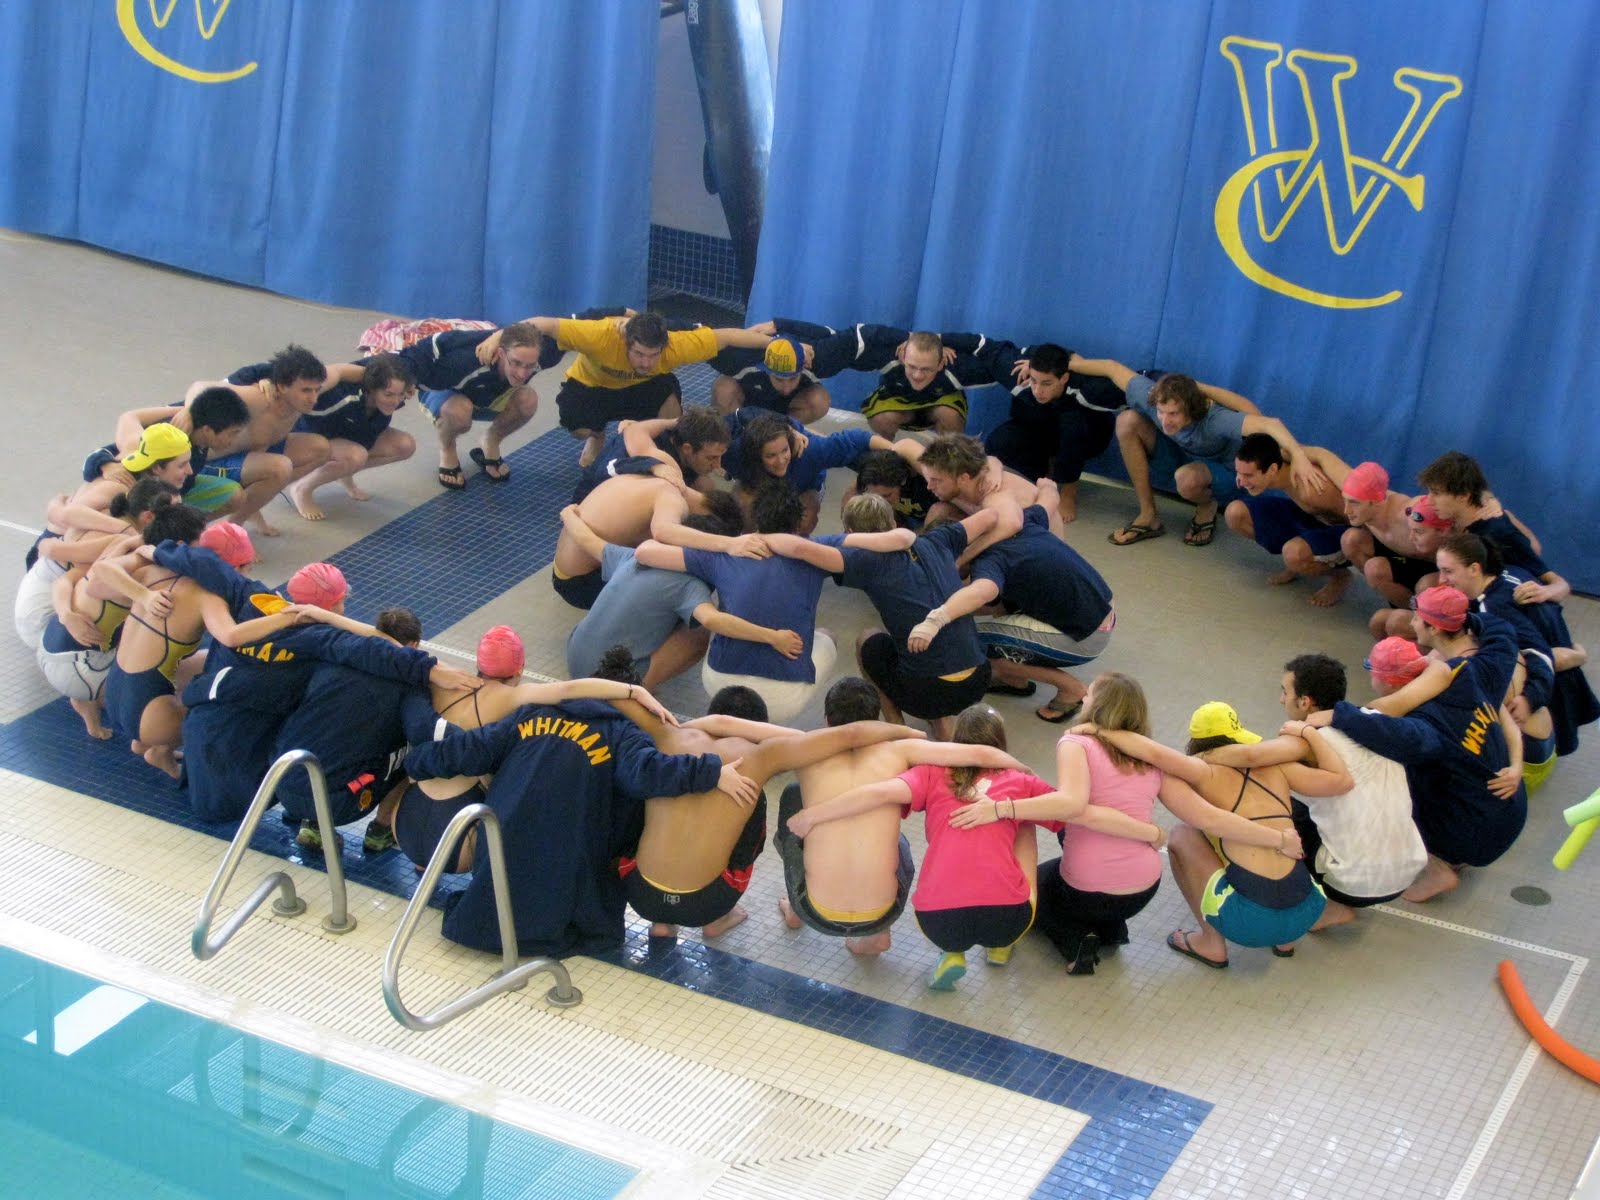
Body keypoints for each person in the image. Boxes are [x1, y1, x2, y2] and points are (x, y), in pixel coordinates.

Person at [787, 703, 1158, 990]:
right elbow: (1078, 814)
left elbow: (876, 793)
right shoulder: (1020, 780)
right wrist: (1146, 832)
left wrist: (814, 814)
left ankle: (951, 955)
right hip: (1008, 919)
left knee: (954, 848)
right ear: (1001, 744)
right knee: (1024, 824)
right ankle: (1000, 946)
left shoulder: (932, 772)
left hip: (937, 922)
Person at [402, 683, 760, 958]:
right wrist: (711, 771)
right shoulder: (623, 733)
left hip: (496, 859)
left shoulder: (531, 715)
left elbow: (471, 749)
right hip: (559, 880)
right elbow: (648, 774)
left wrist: (416, 764)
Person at [377, 632, 680, 869]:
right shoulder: (515, 697)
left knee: (430, 753)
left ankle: (392, 840)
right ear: (519, 667)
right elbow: (568, 690)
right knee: (511, 772)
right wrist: (633, 690)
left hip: (404, 824)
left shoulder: (444, 682)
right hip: (461, 841)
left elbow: (393, 648)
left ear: (479, 664)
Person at [1081, 701, 1344, 966]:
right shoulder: (1276, 766)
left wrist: (1099, 729)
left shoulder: (1203, 771)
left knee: (1183, 835)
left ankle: (1210, 944)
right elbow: (1340, 780)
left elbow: (1155, 755)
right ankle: (1285, 942)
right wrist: (1309, 732)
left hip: (1252, 923)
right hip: (1307, 910)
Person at [772, 677, 1021, 956]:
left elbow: (755, 734)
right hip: (882, 911)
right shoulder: (901, 748)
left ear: (827, 719)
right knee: (897, 839)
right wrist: (1026, 774)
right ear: (876, 719)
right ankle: (877, 936)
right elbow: (981, 753)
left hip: (815, 912)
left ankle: (795, 912)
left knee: (794, 797)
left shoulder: (805, 747)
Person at [1309, 589, 1527, 903]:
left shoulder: (1423, 727)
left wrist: (1335, 714)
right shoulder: (1469, 673)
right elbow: (1502, 631)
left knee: (1386, 779)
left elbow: (1377, 727)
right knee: (1448, 773)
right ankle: (1453, 849)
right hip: (1511, 806)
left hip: (1482, 835)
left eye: (1418, 617)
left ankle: (1439, 865)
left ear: (1388, 681)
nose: (1412, 622)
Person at [1198, 654, 1427, 938]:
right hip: (1407, 869)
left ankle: (1329, 905)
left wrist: (1201, 756)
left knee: (1270, 803)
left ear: (1305, 702)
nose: (1282, 700)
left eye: (1285, 692)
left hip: (1352, 884)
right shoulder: (1373, 719)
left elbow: (1251, 756)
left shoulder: (1305, 740)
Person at [86, 504, 312, 777]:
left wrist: (142, 593)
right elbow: (230, 636)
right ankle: (159, 748)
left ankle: (148, 742)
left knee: (205, 661)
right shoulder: (206, 595)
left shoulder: (150, 571)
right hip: (148, 716)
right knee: (221, 719)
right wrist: (291, 616)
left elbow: (100, 573)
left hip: (115, 694)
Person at [766, 492, 992, 739]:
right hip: (978, 679)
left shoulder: (864, 560)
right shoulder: (938, 539)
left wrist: (758, 539)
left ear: (851, 532)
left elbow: (800, 548)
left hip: (929, 693)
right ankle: (942, 725)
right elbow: (990, 517)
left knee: (869, 639)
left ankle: (898, 730)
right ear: (893, 523)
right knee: (916, 645)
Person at [635, 481, 845, 722]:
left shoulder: (723, 555)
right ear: (799, 524)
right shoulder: (816, 551)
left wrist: (726, 544)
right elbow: (866, 544)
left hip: (718, 683)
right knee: (827, 635)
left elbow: (644, 552)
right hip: (783, 700)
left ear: (755, 520)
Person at [1069, 355, 1327, 548]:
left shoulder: (1216, 419)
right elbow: (1111, 369)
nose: (1165, 420)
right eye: (1162, 412)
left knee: (1187, 479)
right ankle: (1148, 514)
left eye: (1174, 414)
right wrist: (1070, 364)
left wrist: (1300, 457)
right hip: (1180, 456)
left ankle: (1207, 505)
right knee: (1127, 421)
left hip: (1219, 473)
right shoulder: (1155, 398)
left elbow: (1270, 424)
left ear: (1192, 409)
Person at [476, 310, 774, 468]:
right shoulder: (601, 335)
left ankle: (664, 455)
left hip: (644, 390)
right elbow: (544, 324)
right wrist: (499, 337)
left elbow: (726, 337)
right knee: (577, 428)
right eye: (639, 354)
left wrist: (776, 344)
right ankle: (596, 434)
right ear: (626, 342)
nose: (645, 361)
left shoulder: (675, 346)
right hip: (593, 386)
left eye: (652, 355)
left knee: (671, 407)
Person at [911, 503, 1114, 724]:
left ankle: (1072, 690)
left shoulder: (989, 563)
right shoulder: (1018, 522)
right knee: (992, 616)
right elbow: (1047, 500)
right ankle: (1013, 678)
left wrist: (936, 618)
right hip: (1102, 613)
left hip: (1085, 638)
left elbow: (982, 593)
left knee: (970, 640)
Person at [563, 506, 800, 689]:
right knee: (699, 633)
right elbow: (712, 621)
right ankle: (637, 689)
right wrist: (773, 637)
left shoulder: (632, 556)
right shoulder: (688, 584)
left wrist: (568, 514)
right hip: (604, 680)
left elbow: (586, 540)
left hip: (574, 655)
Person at [1436, 532, 1595, 763]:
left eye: (1448, 571)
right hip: (1564, 680)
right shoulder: (1511, 575)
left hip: (1553, 693)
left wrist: (1530, 698)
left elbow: (1539, 653)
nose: (1441, 579)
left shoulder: (1494, 609)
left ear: (1474, 569)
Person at [550, 461, 753, 611]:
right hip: (579, 584)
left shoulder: (664, 476)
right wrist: (728, 544)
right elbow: (664, 531)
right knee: (681, 581)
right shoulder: (674, 502)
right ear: (711, 517)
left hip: (567, 563)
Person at [189, 344, 346, 534]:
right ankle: (232, 529)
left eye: (316, 390)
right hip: (213, 463)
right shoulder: (257, 398)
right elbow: (200, 387)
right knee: (280, 467)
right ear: (281, 386)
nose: (313, 398)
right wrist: (187, 413)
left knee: (319, 448)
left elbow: (340, 371)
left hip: (252, 456)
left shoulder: (305, 394)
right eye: (306, 391)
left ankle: (247, 509)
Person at [975, 341, 1127, 523]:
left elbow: (1136, 387)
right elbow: (980, 345)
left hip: (1087, 436)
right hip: (1045, 432)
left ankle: (1069, 491)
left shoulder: (1089, 388)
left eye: (1046, 383)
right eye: (1034, 381)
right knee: (1003, 437)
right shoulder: (1019, 372)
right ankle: (1035, 476)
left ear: (1064, 378)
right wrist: (942, 344)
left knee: (1072, 425)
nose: (1038, 390)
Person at [397, 319, 549, 489]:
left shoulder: (544, 354)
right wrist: (405, 383)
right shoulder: (465, 360)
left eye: (529, 366)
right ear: (500, 353)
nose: (522, 374)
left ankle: (490, 441)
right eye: (516, 362)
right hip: (446, 393)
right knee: (459, 412)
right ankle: (447, 448)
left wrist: (499, 334)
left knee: (528, 399)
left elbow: (569, 322)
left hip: (486, 396)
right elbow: (425, 351)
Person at [1418, 450, 1570, 603]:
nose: (1429, 501)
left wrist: (1544, 592)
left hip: (1498, 604)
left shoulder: (1497, 531)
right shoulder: (1452, 517)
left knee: (1430, 589)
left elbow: (1559, 584)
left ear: (1463, 495)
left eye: (1436, 493)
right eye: (1429, 492)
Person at [1224, 433, 1354, 606]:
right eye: (1239, 473)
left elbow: (1357, 519)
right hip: (1311, 518)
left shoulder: (1311, 490)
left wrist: (1313, 549)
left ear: (1271, 470)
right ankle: (1296, 562)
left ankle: (1339, 576)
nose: (1240, 482)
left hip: (1346, 529)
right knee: (1235, 513)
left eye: (1248, 475)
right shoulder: (1282, 456)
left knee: (1294, 553)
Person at [283, 353, 419, 519]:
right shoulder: (337, 397)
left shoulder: (390, 394)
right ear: (370, 389)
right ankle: (301, 488)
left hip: (347, 433)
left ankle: (343, 471)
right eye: (389, 394)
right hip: (308, 438)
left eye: (401, 394)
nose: (395, 401)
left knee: (404, 445)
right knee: (355, 456)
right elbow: (292, 398)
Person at [37, 423, 194, 566]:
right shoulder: (119, 485)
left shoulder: (141, 471)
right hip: (54, 560)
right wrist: (127, 529)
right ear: (157, 468)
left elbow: (129, 419)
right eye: (182, 465)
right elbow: (65, 514)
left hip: (71, 555)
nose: (190, 471)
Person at [803, 324, 994, 437]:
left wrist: (1024, 370)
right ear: (903, 357)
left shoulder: (956, 365)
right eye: (912, 367)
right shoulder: (890, 354)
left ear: (940, 363)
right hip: (898, 402)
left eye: (926, 369)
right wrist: (808, 353)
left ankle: (950, 466)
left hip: (939, 405)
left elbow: (999, 363)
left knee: (949, 414)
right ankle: (887, 465)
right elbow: (852, 341)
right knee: (882, 418)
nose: (918, 375)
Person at [726, 409, 892, 535]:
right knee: (743, 507)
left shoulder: (809, 452)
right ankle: (748, 548)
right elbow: (732, 417)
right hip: (758, 485)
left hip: (804, 487)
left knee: (804, 520)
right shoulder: (736, 456)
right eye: (771, 455)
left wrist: (895, 449)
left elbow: (856, 439)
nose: (781, 460)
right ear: (756, 455)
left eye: (784, 450)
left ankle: (794, 552)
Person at [106, 385, 253, 515]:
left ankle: (188, 529)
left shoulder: (201, 421)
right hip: (153, 499)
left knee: (234, 496)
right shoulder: (169, 436)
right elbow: (121, 448)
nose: (234, 440)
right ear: (208, 430)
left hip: (182, 488)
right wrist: (105, 463)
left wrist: (187, 409)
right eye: (232, 433)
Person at [571, 408, 731, 503]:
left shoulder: (676, 436)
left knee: (705, 485)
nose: (718, 465)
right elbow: (607, 473)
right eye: (711, 458)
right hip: (594, 505)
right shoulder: (647, 450)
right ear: (687, 448)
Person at [1336, 461, 1438, 609]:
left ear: (1376, 502)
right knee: (1350, 540)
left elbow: (1448, 511)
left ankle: (1422, 616)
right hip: (1398, 558)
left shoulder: (1409, 513)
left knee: (1426, 584)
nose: (1347, 510)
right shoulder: (1362, 509)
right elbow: (1321, 456)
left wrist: (1482, 505)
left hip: (1426, 567)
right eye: (1345, 500)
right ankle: (1404, 606)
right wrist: (1300, 457)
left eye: (1354, 503)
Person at [710, 329, 832, 426]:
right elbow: (704, 341)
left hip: (786, 409)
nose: (786, 388)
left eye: (793, 378)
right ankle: (733, 433)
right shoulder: (742, 360)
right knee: (724, 388)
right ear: (765, 369)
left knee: (819, 400)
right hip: (746, 405)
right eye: (779, 379)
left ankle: (784, 431)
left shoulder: (815, 363)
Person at [839, 447, 937, 530]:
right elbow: (851, 494)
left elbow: (946, 508)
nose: (881, 501)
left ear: (903, 482)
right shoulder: (867, 479)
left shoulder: (927, 485)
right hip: (899, 517)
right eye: (875, 495)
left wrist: (921, 537)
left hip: (927, 521)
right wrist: (849, 526)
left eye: (887, 495)